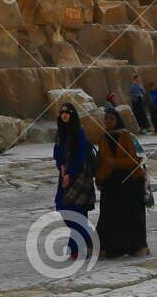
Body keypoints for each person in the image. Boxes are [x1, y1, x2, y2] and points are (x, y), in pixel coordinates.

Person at [93, 107, 148, 258]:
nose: (108, 122)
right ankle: (112, 248)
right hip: (110, 184)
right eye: (106, 119)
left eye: (111, 119)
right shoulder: (103, 138)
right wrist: (99, 179)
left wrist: (114, 162)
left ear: (117, 120)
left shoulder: (127, 137)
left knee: (131, 216)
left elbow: (135, 160)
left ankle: (137, 247)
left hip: (129, 182)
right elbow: (101, 161)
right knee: (109, 217)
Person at [53, 103, 96, 260]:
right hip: (65, 174)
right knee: (64, 209)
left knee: (76, 211)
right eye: (62, 112)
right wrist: (61, 166)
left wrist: (69, 174)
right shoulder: (60, 133)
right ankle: (83, 244)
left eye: (67, 112)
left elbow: (79, 156)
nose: (64, 115)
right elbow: (57, 153)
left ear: (72, 114)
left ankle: (81, 246)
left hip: (79, 176)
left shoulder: (78, 132)